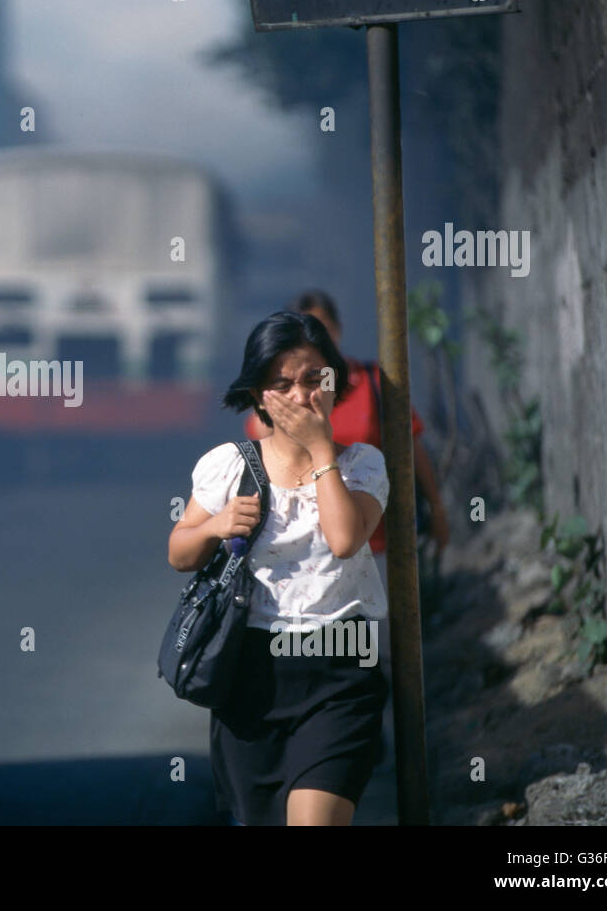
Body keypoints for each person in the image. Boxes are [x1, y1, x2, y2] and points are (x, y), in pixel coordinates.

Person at [168, 311, 389, 825]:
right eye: (282, 383)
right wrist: (213, 526)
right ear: (258, 395)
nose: (301, 395)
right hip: (251, 679)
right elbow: (179, 552)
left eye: (316, 380)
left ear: (336, 385)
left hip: (340, 673)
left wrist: (318, 451)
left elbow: (344, 539)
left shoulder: (362, 465)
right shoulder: (230, 465)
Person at [245, 290, 450, 593]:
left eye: (320, 328)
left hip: (378, 539)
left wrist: (436, 507)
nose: (313, 338)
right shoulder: (279, 399)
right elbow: (263, 457)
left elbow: (412, 448)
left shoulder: (372, 384)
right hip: (302, 553)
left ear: (337, 330)